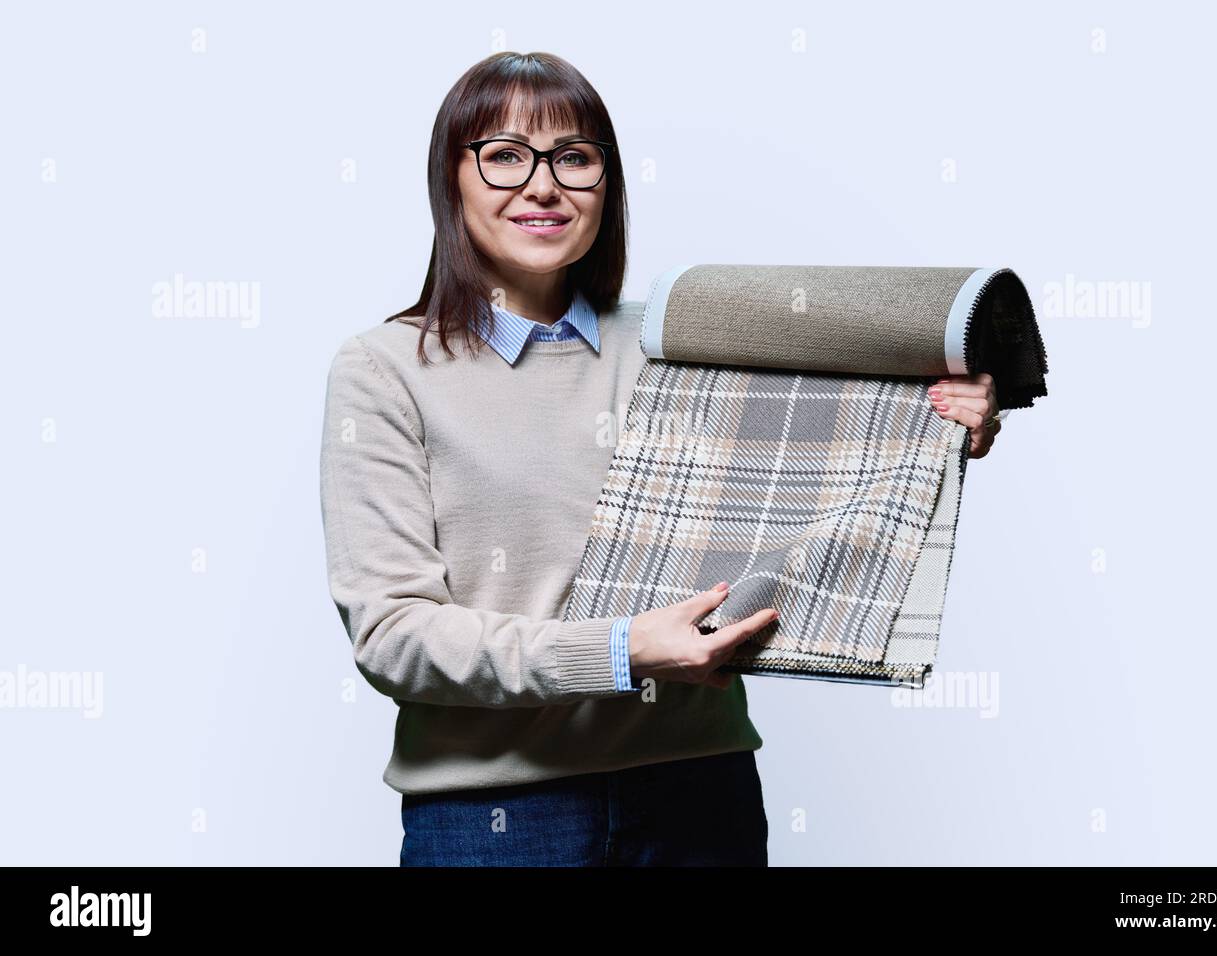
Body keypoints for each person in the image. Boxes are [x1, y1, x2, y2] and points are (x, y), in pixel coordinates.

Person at [318, 51, 1004, 867]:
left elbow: (821, 454)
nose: (543, 185)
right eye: (504, 155)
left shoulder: (677, 342)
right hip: (495, 815)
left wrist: (941, 420)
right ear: (450, 178)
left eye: (574, 157)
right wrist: (620, 651)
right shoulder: (385, 371)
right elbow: (395, 635)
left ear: (606, 185)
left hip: (698, 791)